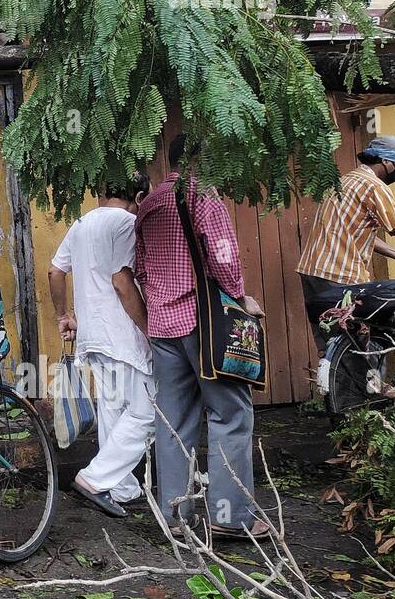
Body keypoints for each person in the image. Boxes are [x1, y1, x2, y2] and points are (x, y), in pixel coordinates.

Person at [135, 134, 268, 538]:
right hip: (204, 323)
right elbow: (224, 258)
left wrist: (159, 302)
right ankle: (230, 518)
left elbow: (140, 269)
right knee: (230, 414)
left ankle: (177, 518)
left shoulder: (150, 203)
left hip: (162, 326)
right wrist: (241, 298)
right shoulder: (202, 195)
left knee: (174, 422)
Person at [48, 172, 153, 518]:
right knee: (145, 412)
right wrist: (149, 329)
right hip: (121, 333)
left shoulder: (81, 223)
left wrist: (64, 315)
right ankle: (94, 478)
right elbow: (123, 282)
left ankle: (120, 487)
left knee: (114, 411)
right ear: (139, 197)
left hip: (92, 336)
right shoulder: (126, 222)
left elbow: (55, 271)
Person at [296, 135, 395, 338]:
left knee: (331, 343)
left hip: (314, 271)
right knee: (357, 342)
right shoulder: (373, 185)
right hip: (340, 274)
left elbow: (355, 232)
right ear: (386, 160)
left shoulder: (345, 181)